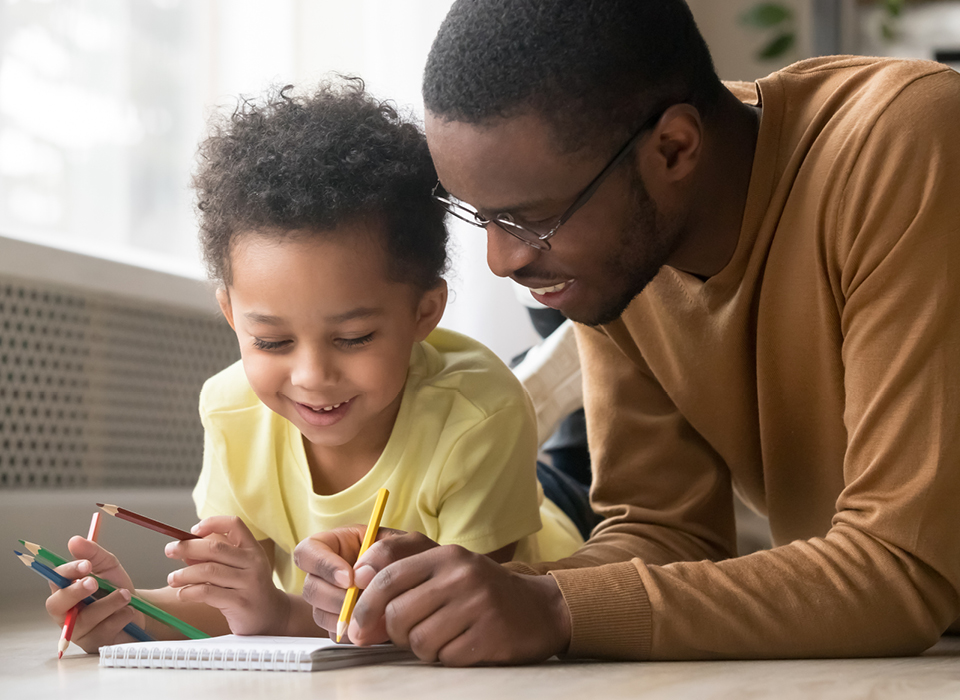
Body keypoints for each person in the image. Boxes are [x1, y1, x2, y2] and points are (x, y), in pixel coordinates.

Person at [294, 0, 960, 665]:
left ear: (674, 149)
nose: (503, 261)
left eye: (533, 219)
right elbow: (661, 534)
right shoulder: (624, 256)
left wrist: (557, 608)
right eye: (482, 218)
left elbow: (903, 567)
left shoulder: (907, 143)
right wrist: (456, 595)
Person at [42, 78, 582, 652]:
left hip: (560, 529)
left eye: (353, 337)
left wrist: (277, 610)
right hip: (482, 461)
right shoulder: (230, 410)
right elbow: (235, 604)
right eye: (272, 342)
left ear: (425, 312)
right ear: (231, 314)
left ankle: (569, 351)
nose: (311, 377)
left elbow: (450, 622)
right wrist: (129, 612)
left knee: (581, 446)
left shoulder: (482, 415)